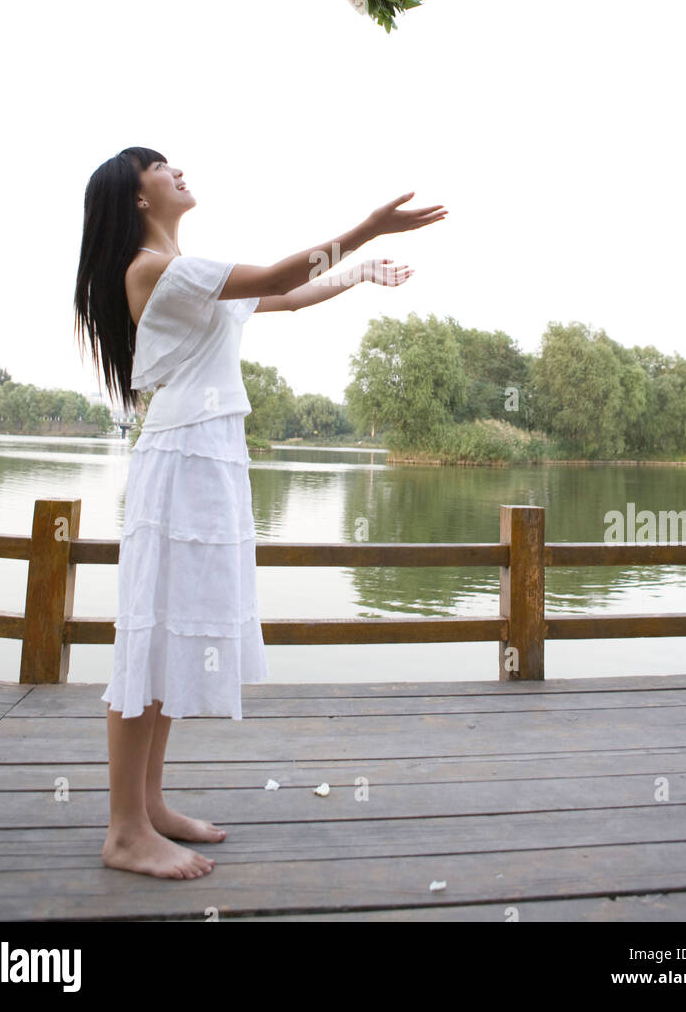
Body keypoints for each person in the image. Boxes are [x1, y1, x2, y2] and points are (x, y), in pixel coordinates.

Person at [73, 147, 447, 879]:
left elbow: (286, 296)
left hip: (208, 457)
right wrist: (369, 229)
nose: (176, 168)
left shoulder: (192, 277)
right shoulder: (153, 269)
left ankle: (148, 807)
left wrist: (358, 274)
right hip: (181, 460)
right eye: (159, 165)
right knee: (148, 636)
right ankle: (123, 832)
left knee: (176, 629)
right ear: (138, 197)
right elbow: (277, 274)